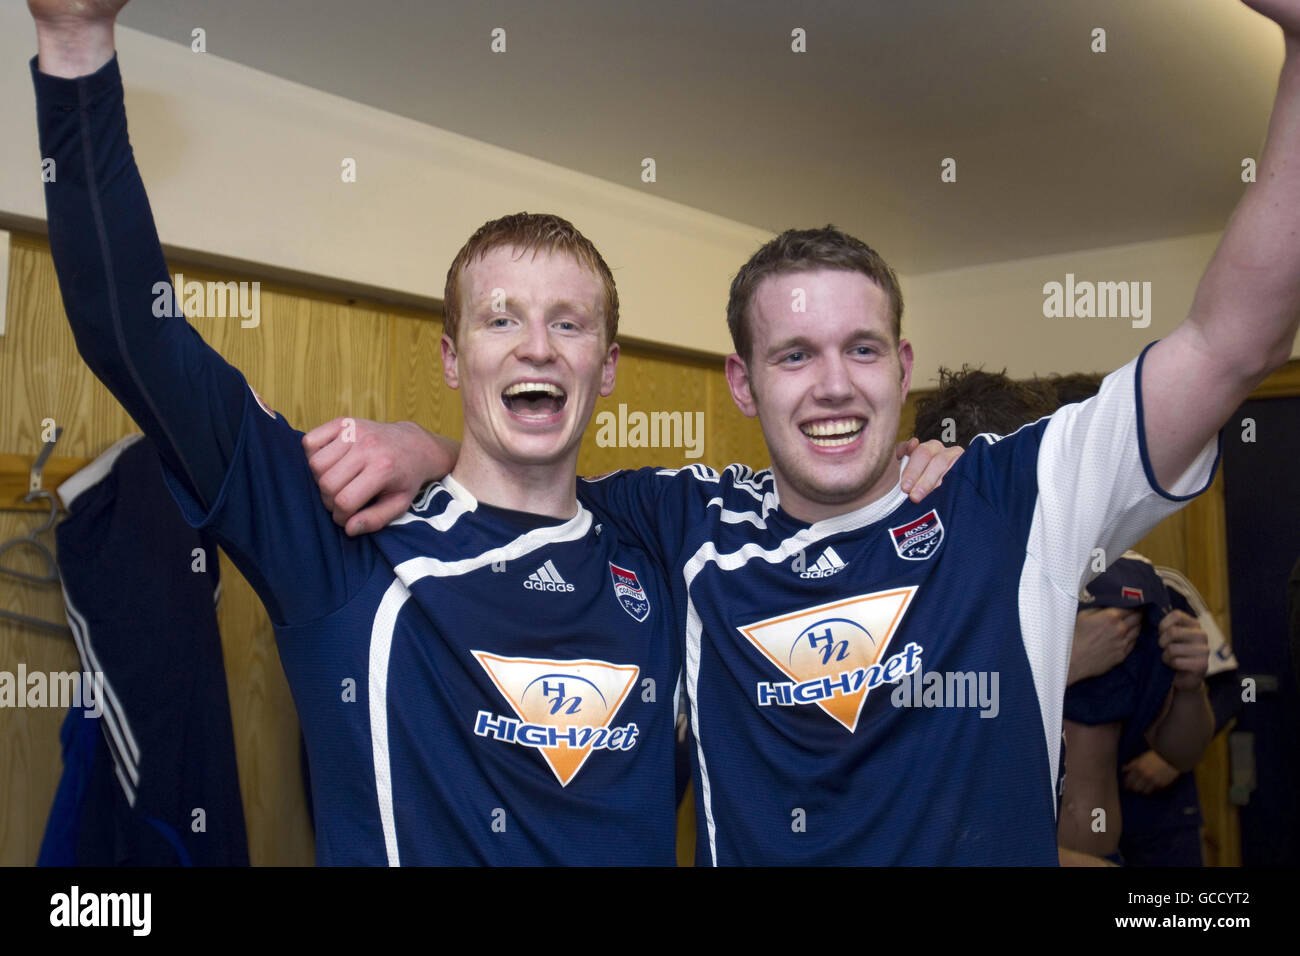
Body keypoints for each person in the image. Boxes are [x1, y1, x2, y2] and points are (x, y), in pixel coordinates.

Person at [315, 0, 1300, 866]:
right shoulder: (682, 523)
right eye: (794, 355)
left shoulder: (1009, 502)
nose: (833, 385)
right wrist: (421, 443)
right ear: (742, 382)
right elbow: (525, 471)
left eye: (861, 349)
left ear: (903, 367)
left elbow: (1229, 342)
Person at [24, 0, 961, 865]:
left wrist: (929, 470)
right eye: (501, 320)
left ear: (607, 365)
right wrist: (76, 48)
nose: (537, 350)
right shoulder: (340, 535)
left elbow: (830, 483)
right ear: (451, 356)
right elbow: (130, 331)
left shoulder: (666, 534)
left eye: (569, 323)